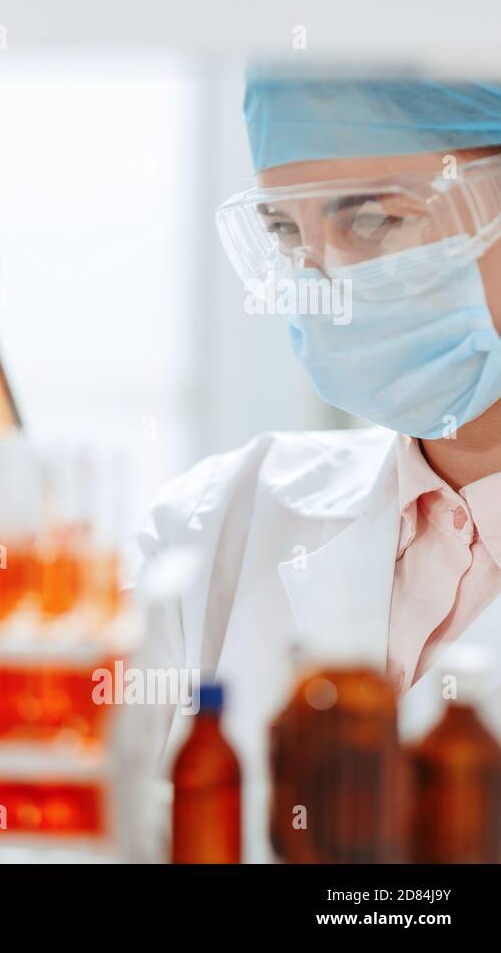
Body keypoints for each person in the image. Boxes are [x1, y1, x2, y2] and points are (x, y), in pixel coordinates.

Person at [135, 73, 501, 793]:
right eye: (284, 232)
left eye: (371, 220)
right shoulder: (216, 522)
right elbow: (42, 782)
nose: (319, 280)